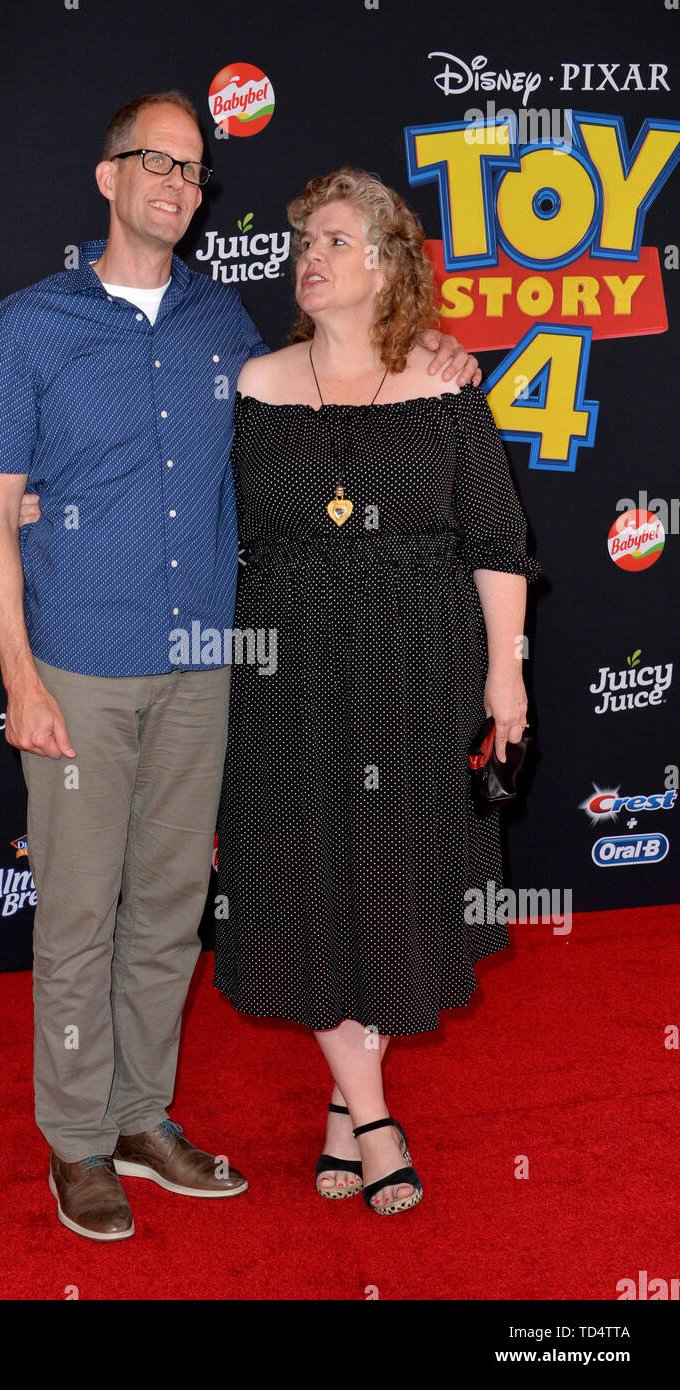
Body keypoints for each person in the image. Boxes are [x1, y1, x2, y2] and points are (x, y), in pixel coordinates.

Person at [0, 92, 478, 1242]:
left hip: (208, 669)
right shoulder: (28, 326)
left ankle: (139, 1119)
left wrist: (428, 344)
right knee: (78, 918)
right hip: (78, 667)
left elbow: (331, 391)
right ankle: (76, 1142)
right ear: (106, 177)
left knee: (164, 914)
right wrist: (20, 679)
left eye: (191, 169)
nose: (174, 182)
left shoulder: (225, 327)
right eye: (151, 161)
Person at [213, 168, 541, 1215]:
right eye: (303, 240)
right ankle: (374, 1118)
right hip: (285, 675)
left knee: (397, 884)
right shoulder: (254, 383)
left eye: (336, 241)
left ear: (390, 266)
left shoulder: (444, 386)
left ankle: (344, 1107)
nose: (310, 256)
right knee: (301, 879)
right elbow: (188, 510)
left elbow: (497, 542)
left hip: (419, 668)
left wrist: (504, 673)